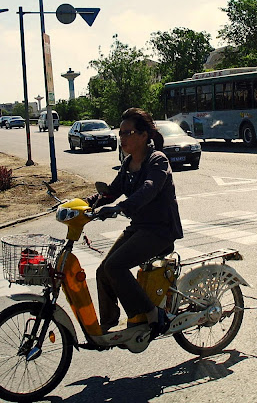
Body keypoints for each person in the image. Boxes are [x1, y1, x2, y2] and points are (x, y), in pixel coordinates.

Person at [86, 108, 183, 339]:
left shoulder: (157, 160)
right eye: (120, 134)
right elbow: (110, 192)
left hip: (160, 230)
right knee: (103, 270)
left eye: (128, 133)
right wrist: (83, 204)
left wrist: (122, 207)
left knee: (115, 267)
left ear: (143, 135)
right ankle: (108, 326)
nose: (122, 138)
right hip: (140, 227)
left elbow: (149, 188)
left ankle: (150, 314)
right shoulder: (128, 163)